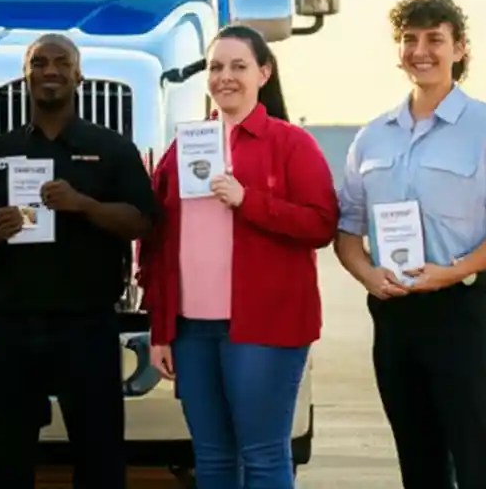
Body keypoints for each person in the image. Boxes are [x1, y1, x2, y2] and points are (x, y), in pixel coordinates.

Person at [333, 0, 486, 489]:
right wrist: (369, 276)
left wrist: (452, 269)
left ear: (460, 49)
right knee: (418, 461)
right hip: (396, 315)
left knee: (477, 459)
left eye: (435, 39)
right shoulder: (372, 137)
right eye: (409, 40)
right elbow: (347, 229)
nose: (420, 51)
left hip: (463, 312)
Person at [0, 33, 159, 489]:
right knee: (6, 454)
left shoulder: (111, 148)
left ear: (77, 74)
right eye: (39, 62)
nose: (50, 71)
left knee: (99, 451)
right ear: (25, 76)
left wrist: (84, 204)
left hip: (87, 324)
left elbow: (141, 221)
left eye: (60, 62)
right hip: (11, 325)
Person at [137, 24, 338, 489]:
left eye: (239, 66)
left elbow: (321, 224)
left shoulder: (290, 143)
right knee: (212, 459)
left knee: (264, 455)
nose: (225, 76)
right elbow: (158, 244)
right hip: (192, 329)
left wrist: (249, 201)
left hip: (263, 327)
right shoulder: (185, 148)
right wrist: (162, 328)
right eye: (215, 67)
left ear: (264, 73)